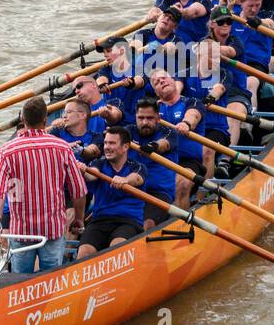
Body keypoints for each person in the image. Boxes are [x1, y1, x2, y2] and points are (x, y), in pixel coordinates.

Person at [0, 96, 87, 274]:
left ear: (23, 120)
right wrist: (79, 219)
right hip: (52, 229)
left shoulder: (7, 151)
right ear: (45, 120)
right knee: (51, 280)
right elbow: (78, 190)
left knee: (22, 280)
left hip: (21, 231)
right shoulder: (62, 147)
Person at [183, 38, 249, 180]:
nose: (217, 60)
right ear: (199, 54)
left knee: (207, 150)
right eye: (212, 56)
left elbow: (219, 88)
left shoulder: (224, 74)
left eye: (218, 56)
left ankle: (204, 194)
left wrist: (211, 97)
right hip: (191, 126)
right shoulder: (185, 74)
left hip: (216, 128)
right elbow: (175, 89)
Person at [76, 126, 146, 258]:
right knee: (84, 253)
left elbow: (137, 179)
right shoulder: (99, 163)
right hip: (100, 220)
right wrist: (83, 171)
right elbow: (93, 175)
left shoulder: (137, 166)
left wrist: (125, 180)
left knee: (117, 248)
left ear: (125, 147)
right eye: (106, 143)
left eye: (112, 143)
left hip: (128, 221)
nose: (107, 147)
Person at [149, 68, 204, 206]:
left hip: (187, 161)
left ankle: (180, 225)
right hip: (160, 163)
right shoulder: (150, 111)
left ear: (173, 81)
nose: (161, 81)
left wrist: (186, 123)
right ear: (156, 92)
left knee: (182, 184)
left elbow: (194, 115)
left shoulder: (192, 102)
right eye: (156, 82)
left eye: (164, 78)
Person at [129, 99, 180, 231]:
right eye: (141, 118)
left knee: (148, 224)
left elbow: (164, 144)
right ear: (135, 117)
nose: (145, 122)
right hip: (131, 190)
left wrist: (154, 146)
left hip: (159, 193)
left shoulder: (169, 132)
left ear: (158, 118)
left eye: (150, 118)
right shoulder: (128, 132)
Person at [233, 0, 274, 104]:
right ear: (241, 2)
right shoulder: (231, 19)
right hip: (234, 63)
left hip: (256, 67)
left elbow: (270, 24)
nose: (254, 9)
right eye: (250, 5)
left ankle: (250, 120)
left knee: (250, 82)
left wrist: (258, 22)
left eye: (258, 5)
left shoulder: (267, 16)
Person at [129, 7, 183, 80]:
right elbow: (133, 48)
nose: (167, 19)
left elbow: (171, 48)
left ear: (175, 26)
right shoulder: (143, 33)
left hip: (161, 78)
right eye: (165, 15)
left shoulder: (177, 40)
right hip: (140, 75)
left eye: (171, 19)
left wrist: (161, 48)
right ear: (158, 18)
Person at [46, 98, 102, 163]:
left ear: (82, 115)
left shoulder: (96, 137)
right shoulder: (56, 132)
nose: (64, 116)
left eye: (68, 112)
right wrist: (67, 146)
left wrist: (78, 149)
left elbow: (92, 152)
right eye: (64, 112)